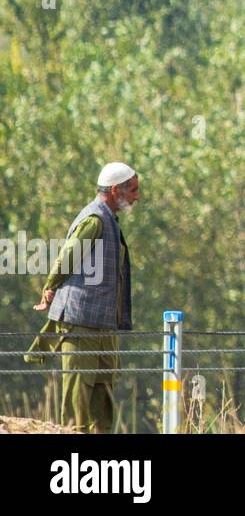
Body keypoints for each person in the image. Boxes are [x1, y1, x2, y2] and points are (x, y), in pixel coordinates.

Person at [28, 162, 139, 433]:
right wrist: (50, 286)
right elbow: (67, 258)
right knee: (77, 401)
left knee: (105, 397)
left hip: (103, 327)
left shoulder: (109, 220)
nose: (137, 196)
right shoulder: (95, 220)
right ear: (115, 190)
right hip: (80, 324)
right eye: (133, 190)